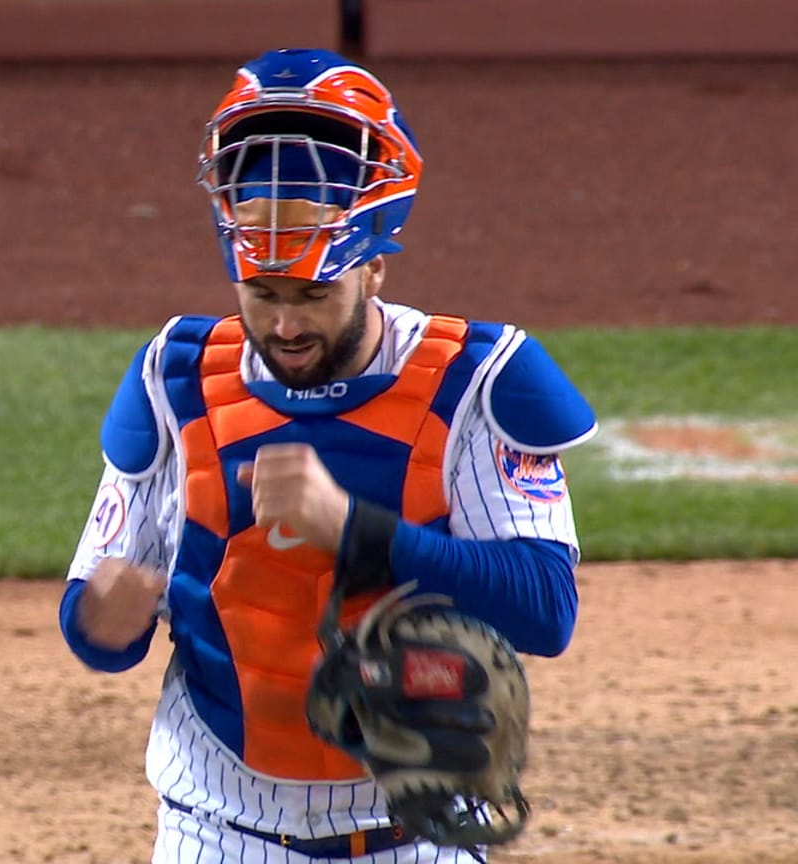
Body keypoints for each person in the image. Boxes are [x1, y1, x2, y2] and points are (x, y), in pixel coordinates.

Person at [59, 48, 596, 864]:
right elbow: (98, 626)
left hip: (416, 835)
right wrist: (102, 617)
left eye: (314, 295)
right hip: (215, 831)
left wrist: (355, 528)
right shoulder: (174, 381)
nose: (284, 325)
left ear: (375, 266)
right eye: (262, 295)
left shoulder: (474, 383)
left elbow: (546, 612)